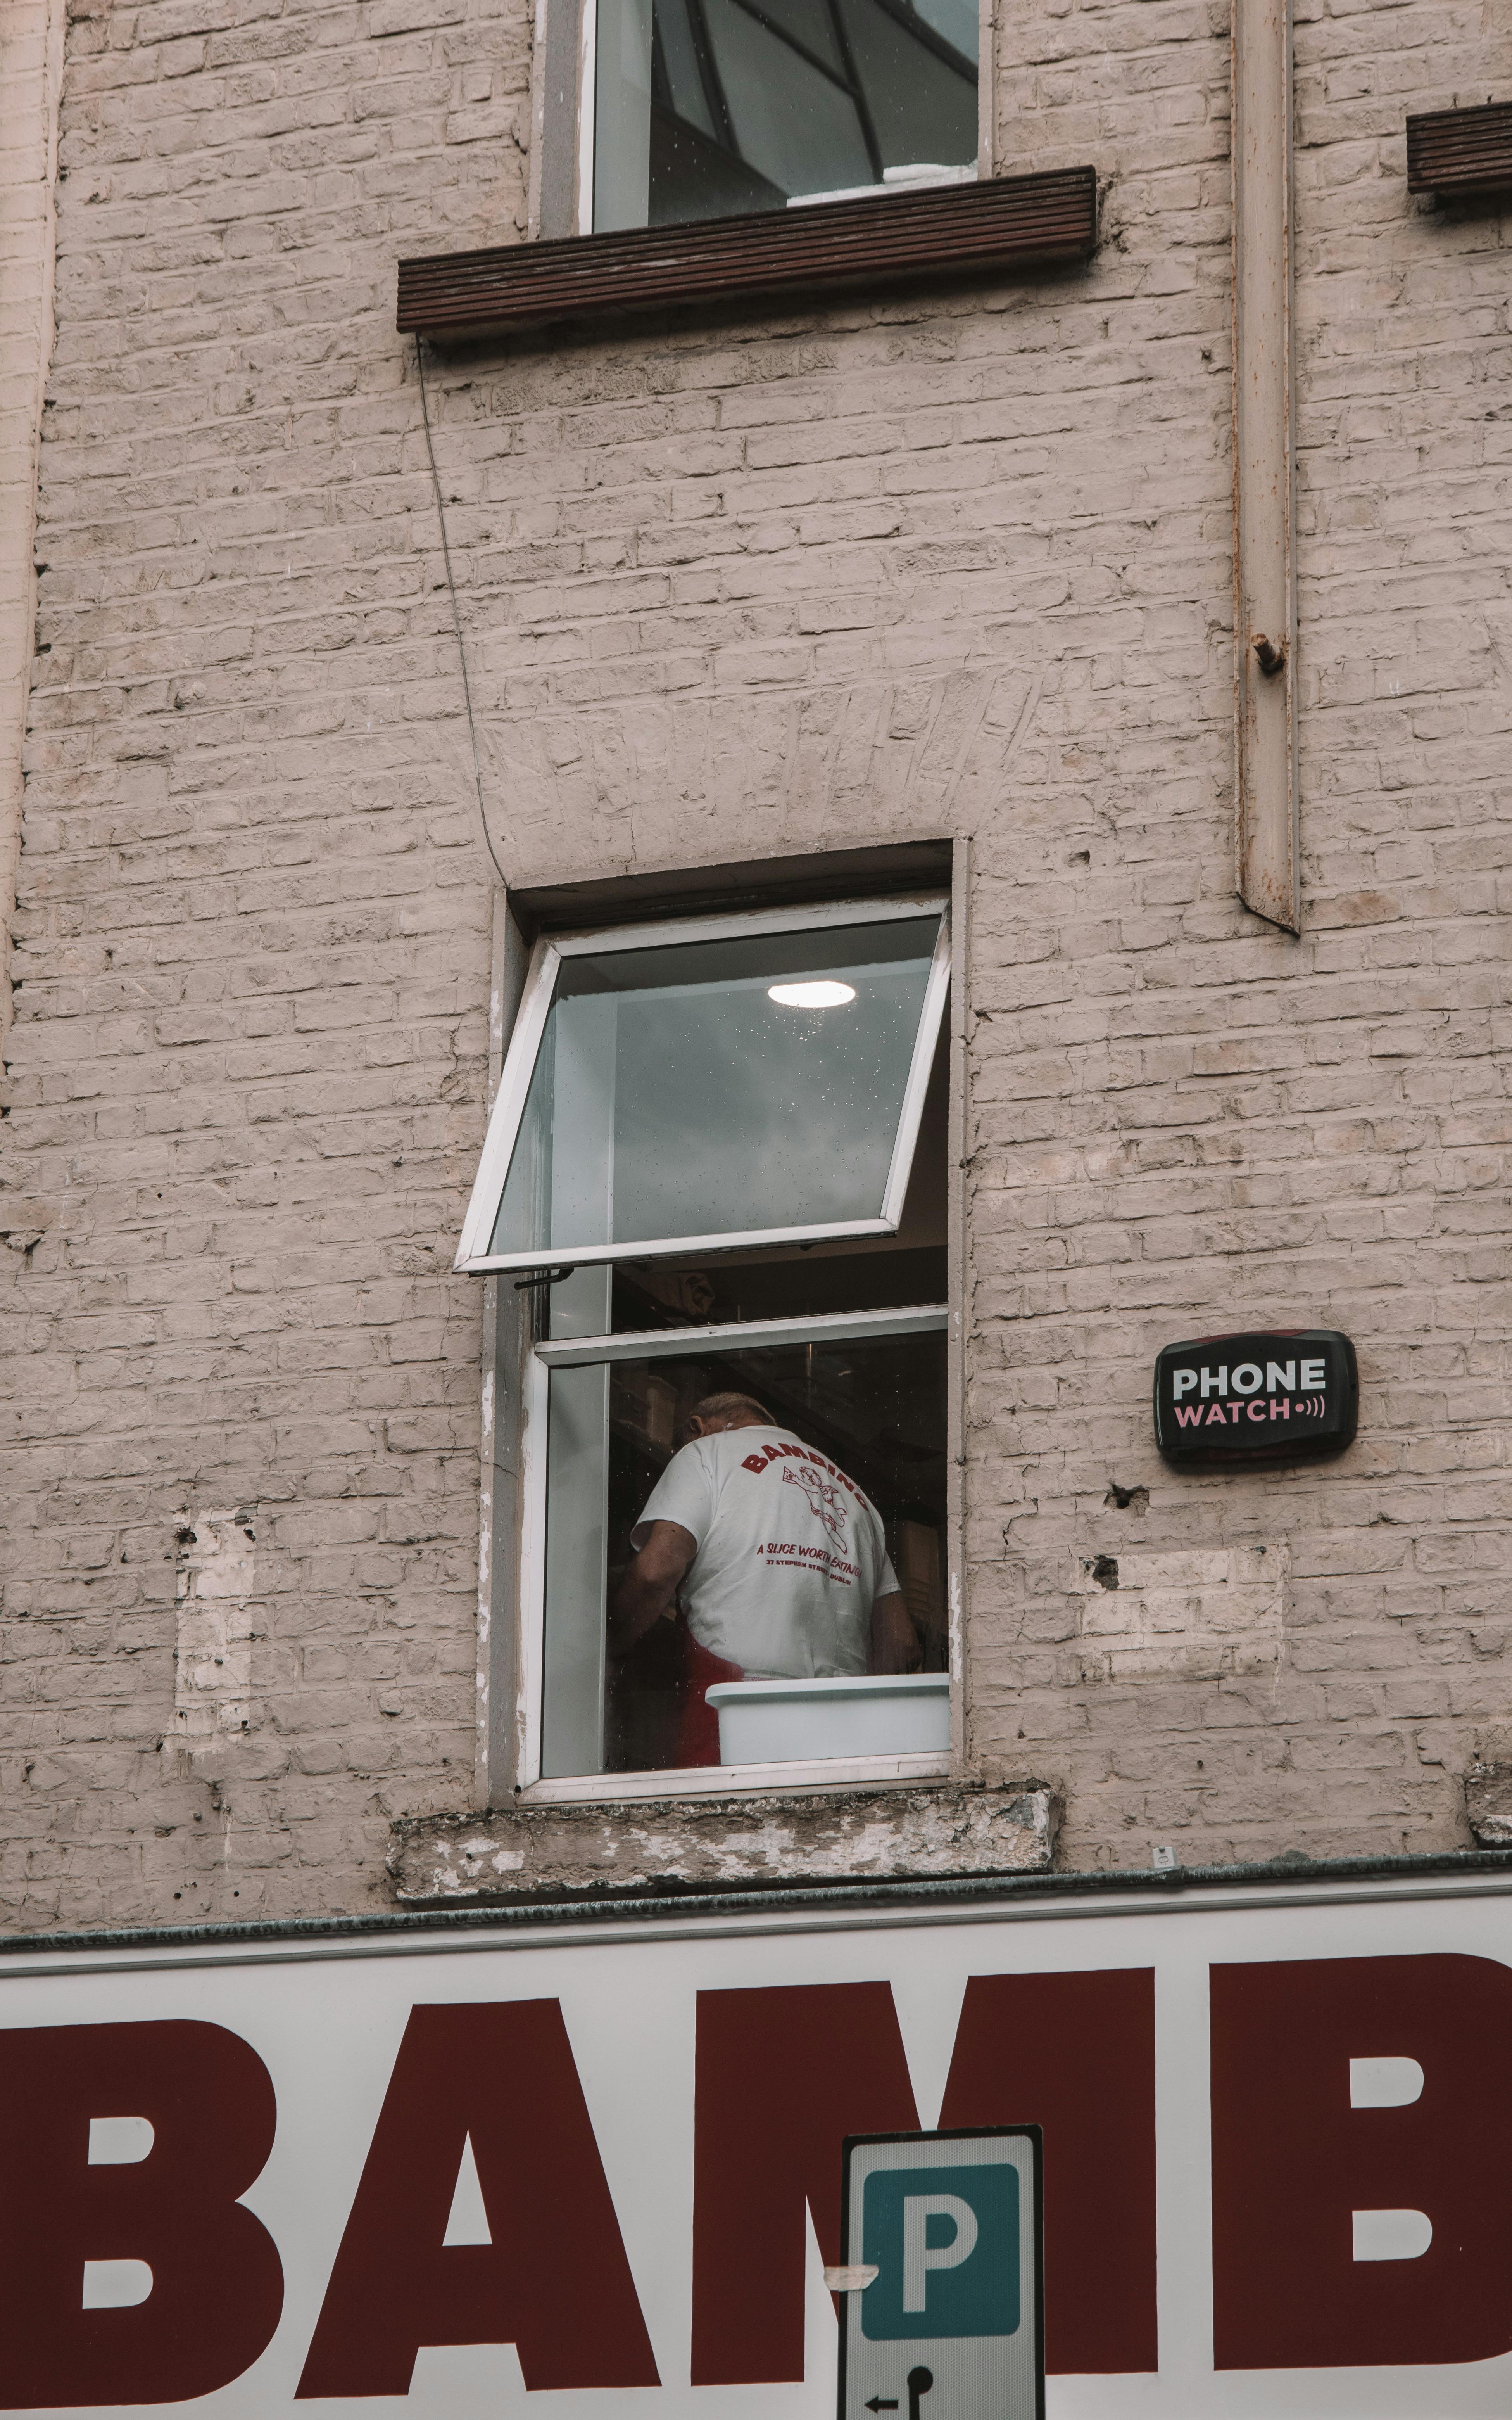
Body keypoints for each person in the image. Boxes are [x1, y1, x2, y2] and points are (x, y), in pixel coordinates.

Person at [612, 1390, 916, 1680]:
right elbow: (901, 1643)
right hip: (842, 1710)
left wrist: (609, 1646)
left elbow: (656, 1572)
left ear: (696, 1428)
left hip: (736, 1696)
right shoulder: (856, 1497)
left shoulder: (705, 1452)